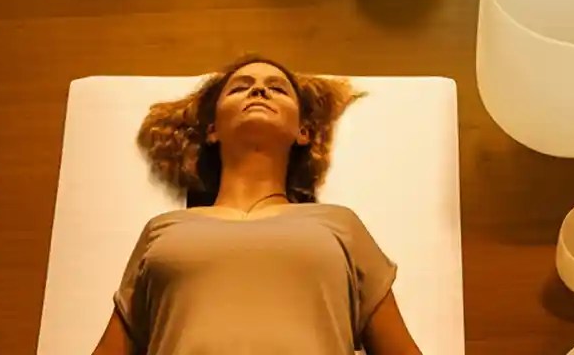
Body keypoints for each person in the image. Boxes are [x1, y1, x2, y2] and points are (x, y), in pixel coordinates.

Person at [91, 56, 422, 355]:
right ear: (213, 131)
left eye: (277, 88)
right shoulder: (162, 231)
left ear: (303, 132)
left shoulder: (339, 225)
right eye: (240, 88)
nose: (259, 91)